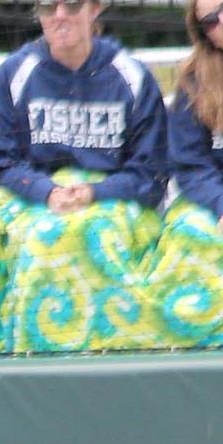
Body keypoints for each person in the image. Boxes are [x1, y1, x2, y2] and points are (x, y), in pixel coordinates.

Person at [0, 0, 168, 353]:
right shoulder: (15, 73)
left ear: (96, 9)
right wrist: (46, 192)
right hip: (34, 196)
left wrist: (95, 192)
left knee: (94, 234)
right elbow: (2, 164)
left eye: (72, 4)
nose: (60, 14)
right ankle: (32, 361)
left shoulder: (132, 76)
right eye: (47, 6)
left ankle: (116, 354)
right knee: (44, 237)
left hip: (112, 197)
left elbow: (150, 175)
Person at [141, 0, 223, 347]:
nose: (221, 22)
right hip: (213, 198)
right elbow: (190, 164)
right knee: (190, 237)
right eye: (210, 20)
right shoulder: (194, 78)